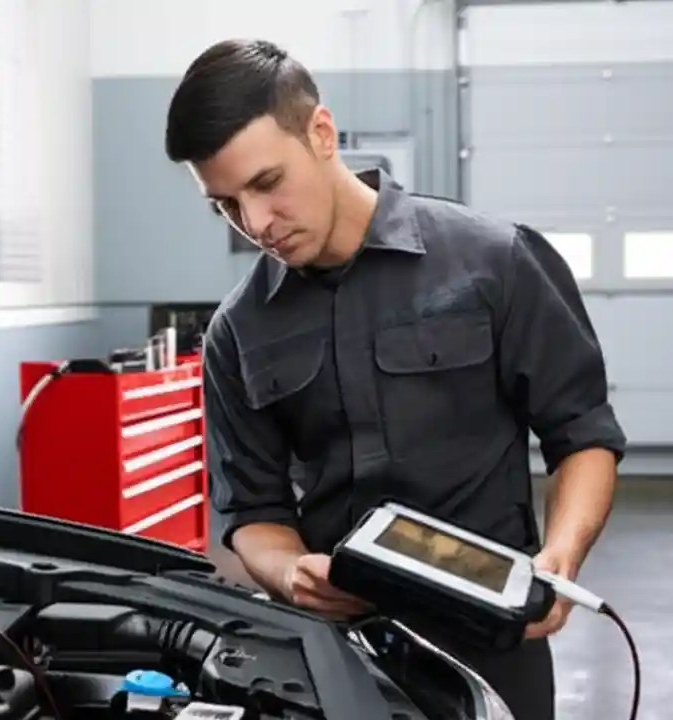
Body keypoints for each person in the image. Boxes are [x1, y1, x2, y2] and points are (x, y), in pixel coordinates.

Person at [164, 38, 626, 720]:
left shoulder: (495, 261)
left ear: (321, 133)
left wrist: (559, 558)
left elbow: (582, 433)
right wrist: (291, 572)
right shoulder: (238, 332)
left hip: (492, 643)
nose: (254, 224)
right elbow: (252, 512)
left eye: (266, 184)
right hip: (338, 655)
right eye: (225, 205)